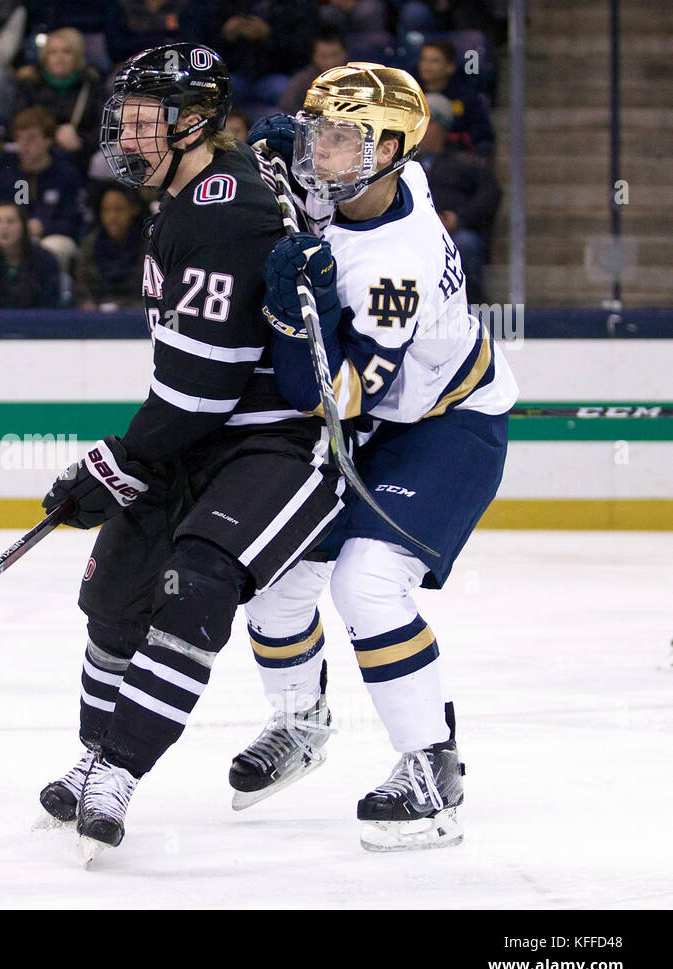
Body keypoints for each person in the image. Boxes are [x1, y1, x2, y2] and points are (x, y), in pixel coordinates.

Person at [36, 43, 346, 854]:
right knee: (116, 593)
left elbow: (206, 386)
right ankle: (93, 752)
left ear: (194, 122)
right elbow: (188, 390)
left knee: (196, 581)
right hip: (198, 435)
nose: (126, 135)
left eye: (143, 120)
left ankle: (121, 771)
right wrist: (126, 464)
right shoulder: (189, 191)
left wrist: (118, 461)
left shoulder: (220, 208)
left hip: (271, 441)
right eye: (126, 118)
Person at [231, 63, 517, 851]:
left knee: (367, 581)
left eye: (341, 138)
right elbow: (324, 195)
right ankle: (300, 721)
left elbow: (341, 393)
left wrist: (302, 314)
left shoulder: (398, 262)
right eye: (321, 132)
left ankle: (432, 767)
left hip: (445, 426)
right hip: (387, 415)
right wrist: (292, 165)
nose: (320, 150)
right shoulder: (386, 179)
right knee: (276, 568)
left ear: (390, 148)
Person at [417, 92, 500, 303]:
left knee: (465, 244)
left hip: (452, 233)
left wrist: (458, 218)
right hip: (412, 232)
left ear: (442, 126)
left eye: (427, 122)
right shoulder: (402, 162)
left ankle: (470, 307)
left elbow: (490, 194)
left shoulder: (466, 160)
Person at [0, 108, 87, 273]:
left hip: (53, 238)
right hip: (15, 238)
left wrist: (45, 227)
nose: (24, 145)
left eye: (31, 138)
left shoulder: (65, 174)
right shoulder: (10, 174)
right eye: (20, 139)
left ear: (48, 140)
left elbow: (76, 222)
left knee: (53, 248)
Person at [11, 28, 107, 174]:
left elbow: (103, 127)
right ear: (45, 57)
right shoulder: (30, 85)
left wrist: (81, 140)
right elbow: (20, 123)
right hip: (39, 155)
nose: (59, 57)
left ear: (77, 56)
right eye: (53, 52)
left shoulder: (92, 86)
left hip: (80, 156)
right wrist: (52, 137)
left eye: (66, 52)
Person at [73, 185, 146, 311]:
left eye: (119, 210)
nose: (112, 217)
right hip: (97, 316)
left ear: (134, 209)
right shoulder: (90, 244)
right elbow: (83, 288)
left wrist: (124, 306)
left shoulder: (149, 245)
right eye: (106, 210)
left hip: (137, 315)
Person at [415, 40, 494, 155]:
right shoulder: (410, 94)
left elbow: (482, 134)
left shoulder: (466, 97)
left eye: (434, 61)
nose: (427, 66)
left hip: (456, 158)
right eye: (424, 59)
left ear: (450, 67)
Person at [0, 202, 61, 309]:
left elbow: (50, 303)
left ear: (23, 226)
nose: (4, 227)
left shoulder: (44, 260)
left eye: (10, 221)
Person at [278, 27, 348, 115]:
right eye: (323, 56)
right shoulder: (301, 83)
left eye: (335, 55)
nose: (330, 62)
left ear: (345, 53)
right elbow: (287, 111)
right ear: (314, 57)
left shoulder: (359, 78)